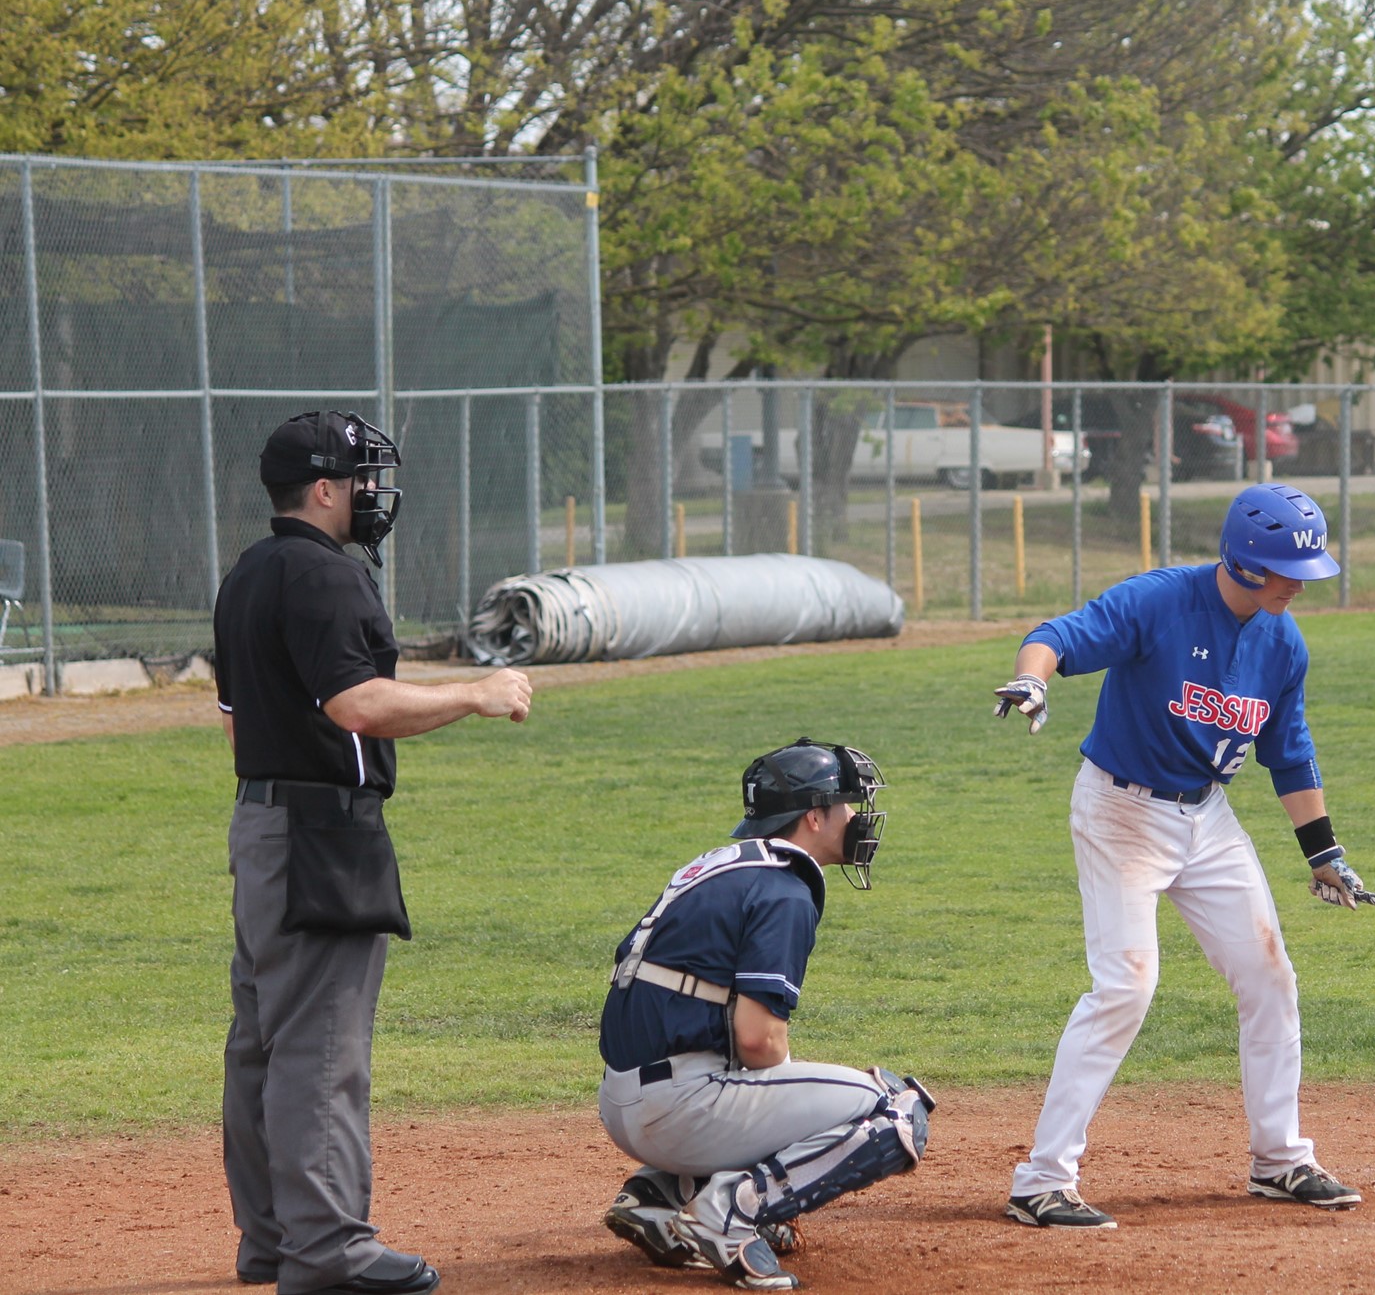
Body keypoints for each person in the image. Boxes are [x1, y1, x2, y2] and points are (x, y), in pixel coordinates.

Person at [214, 411, 534, 1295]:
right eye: (362, 480)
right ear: (323, 489)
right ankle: (328, 1252)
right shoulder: (323, 576)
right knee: (320, 1047)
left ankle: (274, 1240)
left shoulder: (248, 574)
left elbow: (239, 719)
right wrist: (475, 694)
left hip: (262, 826)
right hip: (320, 834)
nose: (373, 496)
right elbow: (355, 706)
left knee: (265, 1042)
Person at [990, 481, 1363, 1229]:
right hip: (1121, 812)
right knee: (1126, 986)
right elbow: (1058, 634)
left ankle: (1279, 1158)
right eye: (1291, 570)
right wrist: (1032, 678)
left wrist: (1323, 853)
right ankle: (1041, 1178)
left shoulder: (1282, 640)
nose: (1301, 584)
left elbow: (1289, 755)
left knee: (1268, 974)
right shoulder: (1160, 602)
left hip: (1208, 818)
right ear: (1248, 562)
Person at [597, 738, 934, 1292]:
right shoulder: (783, 890)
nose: (857, 818)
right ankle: (728, 1213)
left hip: (623, 1100)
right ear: (814, 816)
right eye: (848, 805)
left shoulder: (721, 866)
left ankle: (659, 1195)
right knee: (896, 1108)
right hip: (680, 1107)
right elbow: (758, 1041)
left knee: (778, 1084)